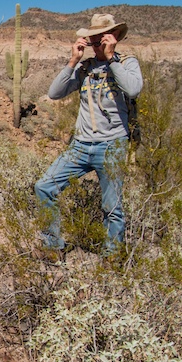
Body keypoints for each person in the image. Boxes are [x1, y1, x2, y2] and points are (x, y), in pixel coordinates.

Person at [34, 14, 143, 257]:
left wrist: (111, 58)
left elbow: (133, 89)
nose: (96, 44)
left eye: (101, 39)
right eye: (93, 40)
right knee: (44, 187)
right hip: (81, 145)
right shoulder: (85, 68)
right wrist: (73, 61)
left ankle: (112, 258)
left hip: (112, 145)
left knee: (112, 206)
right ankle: (52, 245)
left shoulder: (127, 62)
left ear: (113, 37)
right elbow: (54, 93)